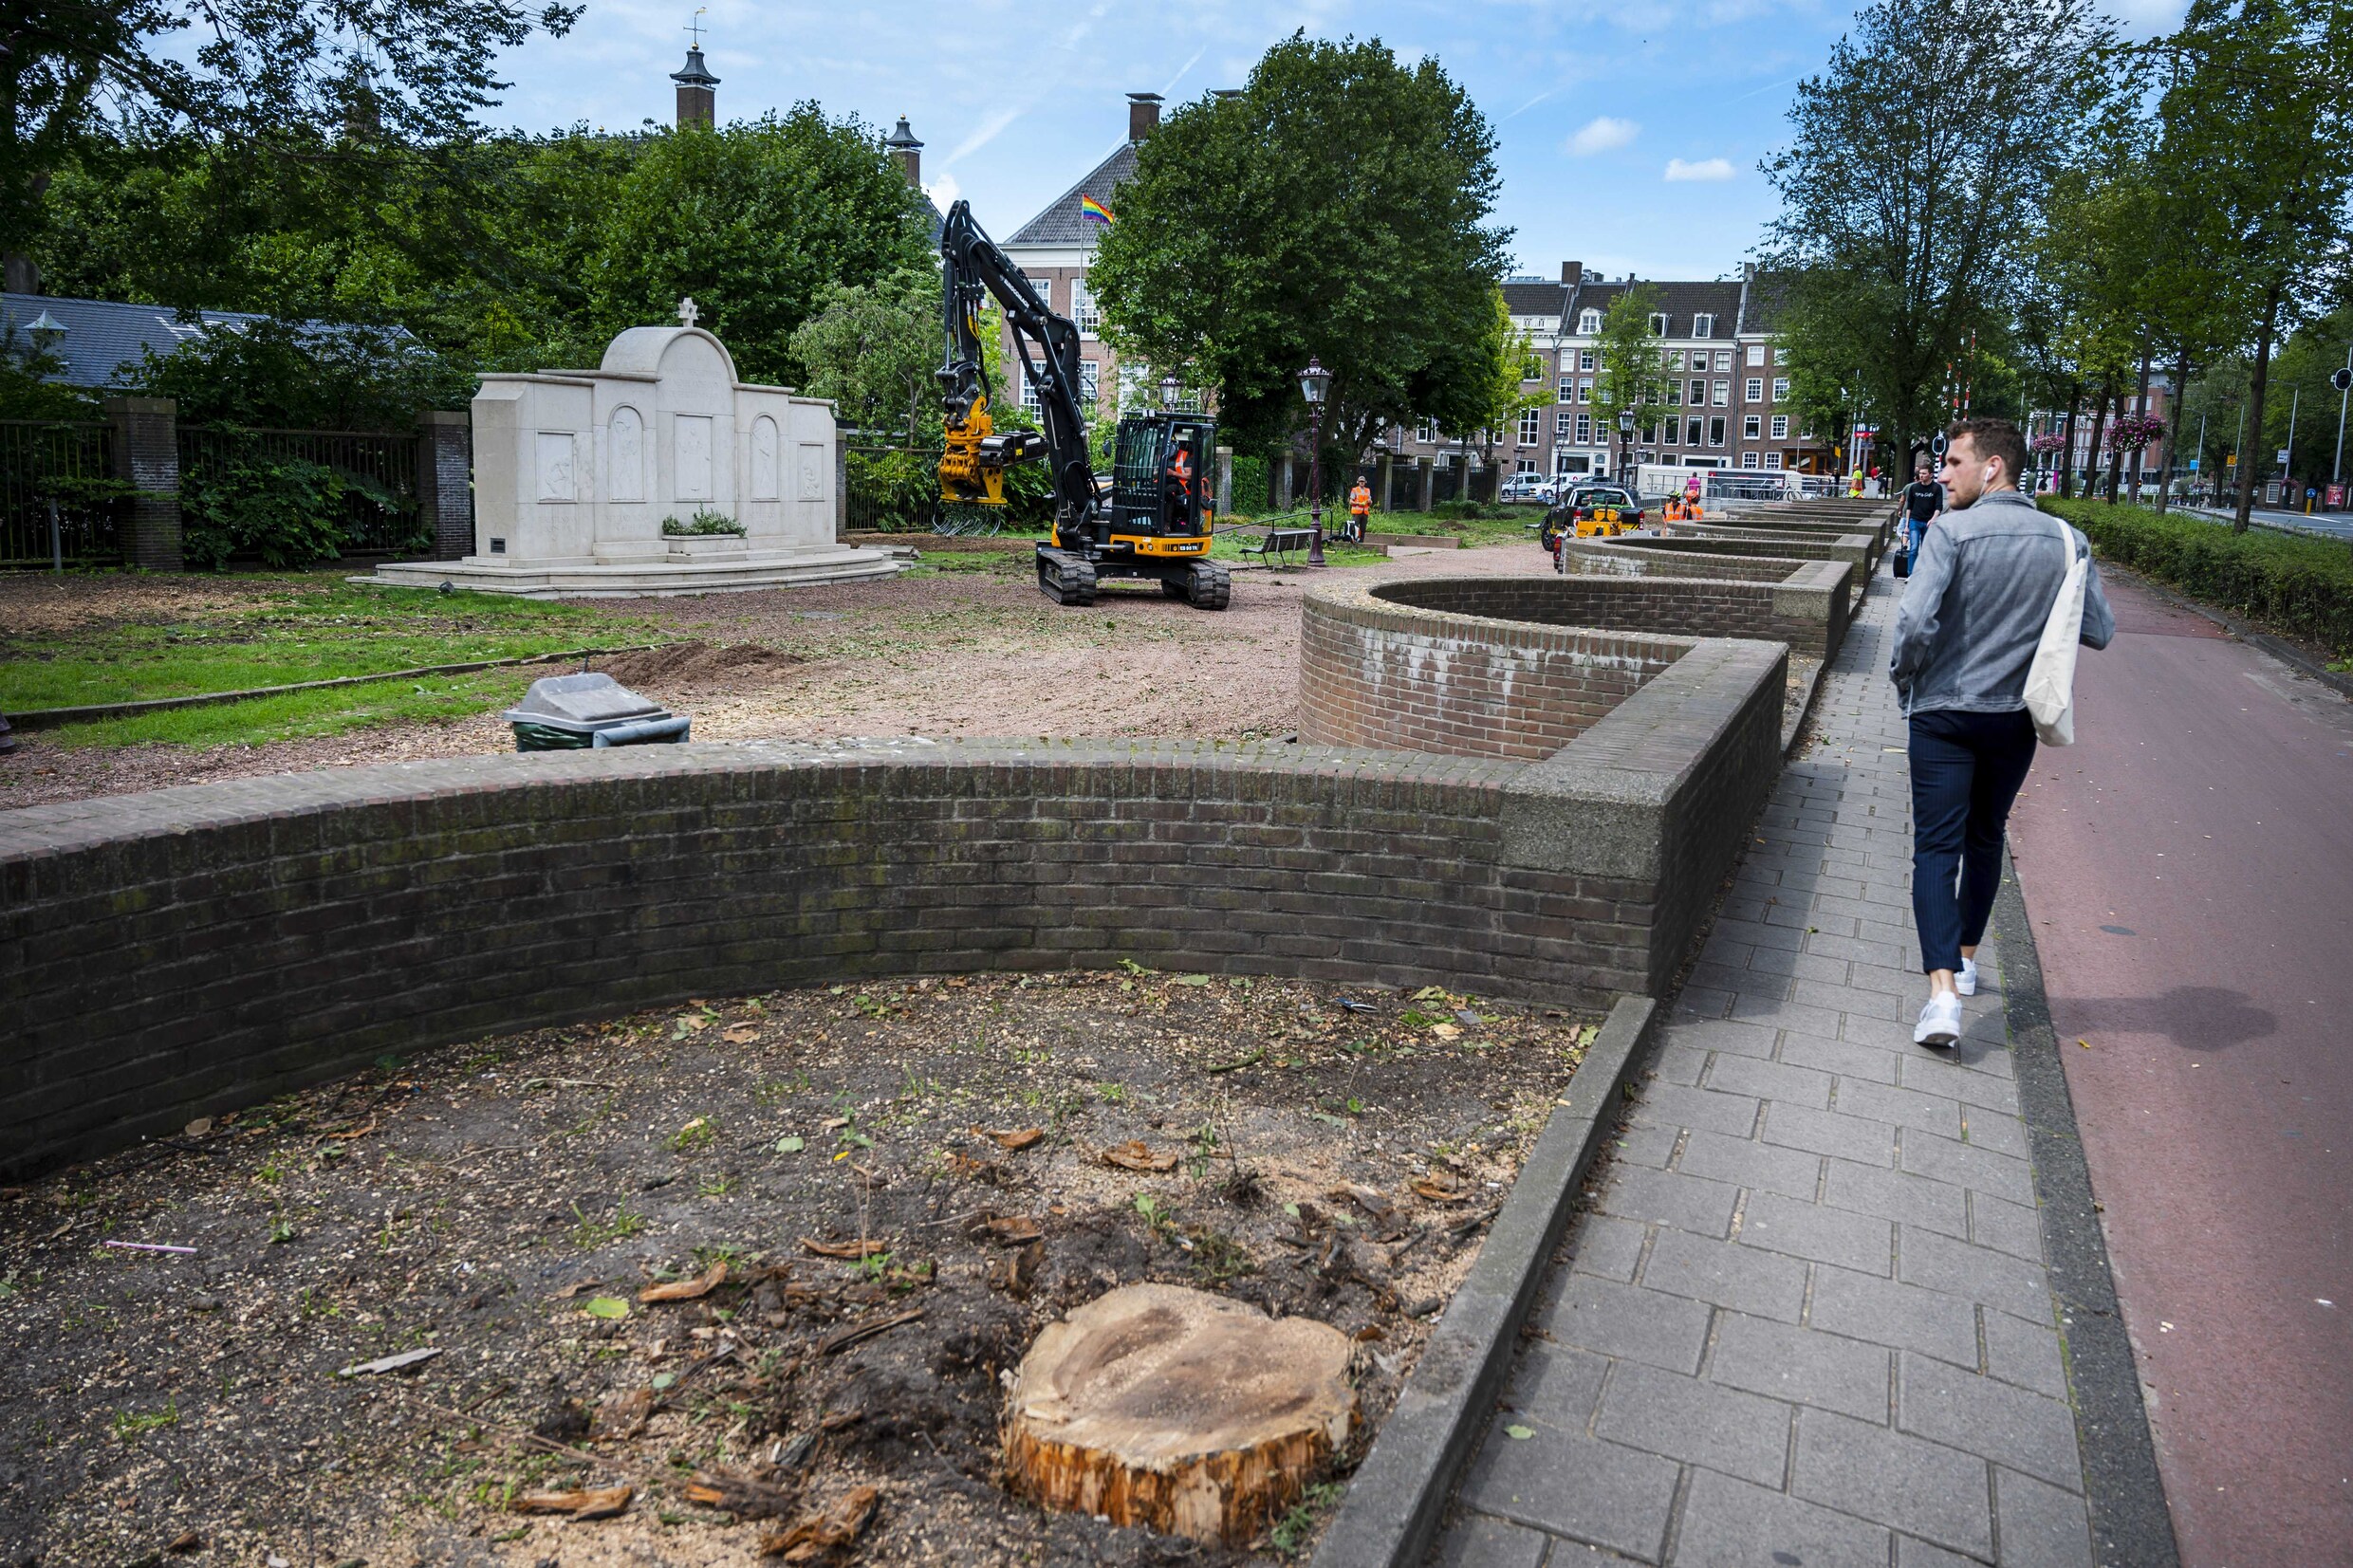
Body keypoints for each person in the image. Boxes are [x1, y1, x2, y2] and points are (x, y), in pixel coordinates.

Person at [1891, 417, 2115, 1047]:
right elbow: (2098, 629)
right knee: (1985, 839)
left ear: (1993, 467)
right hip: (2012, 720)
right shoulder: (2068, 540)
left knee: (1936, 849)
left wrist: (1904, 681)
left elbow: (1913, 624)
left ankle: (1940, 1000)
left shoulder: (1951, 533)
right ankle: (1963, 962)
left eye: (1955, 462)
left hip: (1942, 713)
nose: (1943, 472)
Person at [1899, 457, 1945, 573]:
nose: (1921, 476)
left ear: (1930, 475)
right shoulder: (1914, 487)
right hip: (1915, 521)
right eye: (1920, 473)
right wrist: (1907, 525)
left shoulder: (1936, 488)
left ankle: (1923, 573)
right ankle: (1911, 573)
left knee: (1925, 548)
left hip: (1928, 522)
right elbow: (1909, 507)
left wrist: (1933, 519)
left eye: (1924, 474)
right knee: (1914, 547)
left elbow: (1939, 506)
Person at [1346, 473, 1373, 543]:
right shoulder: (1354, 490)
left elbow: (1370, 501)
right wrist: (1359, 503)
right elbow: (1351, 502)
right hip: (1356, 513)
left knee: (1363, 529)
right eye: (1360, 481)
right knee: (1355, 528)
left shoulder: (1368, 490)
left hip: (1365, 513)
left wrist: (1370, 501)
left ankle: (1361, 543)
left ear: (1365, 482)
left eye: (1363, 481)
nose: (1362, 482)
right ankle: (1354, 541)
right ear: (1358, 482)